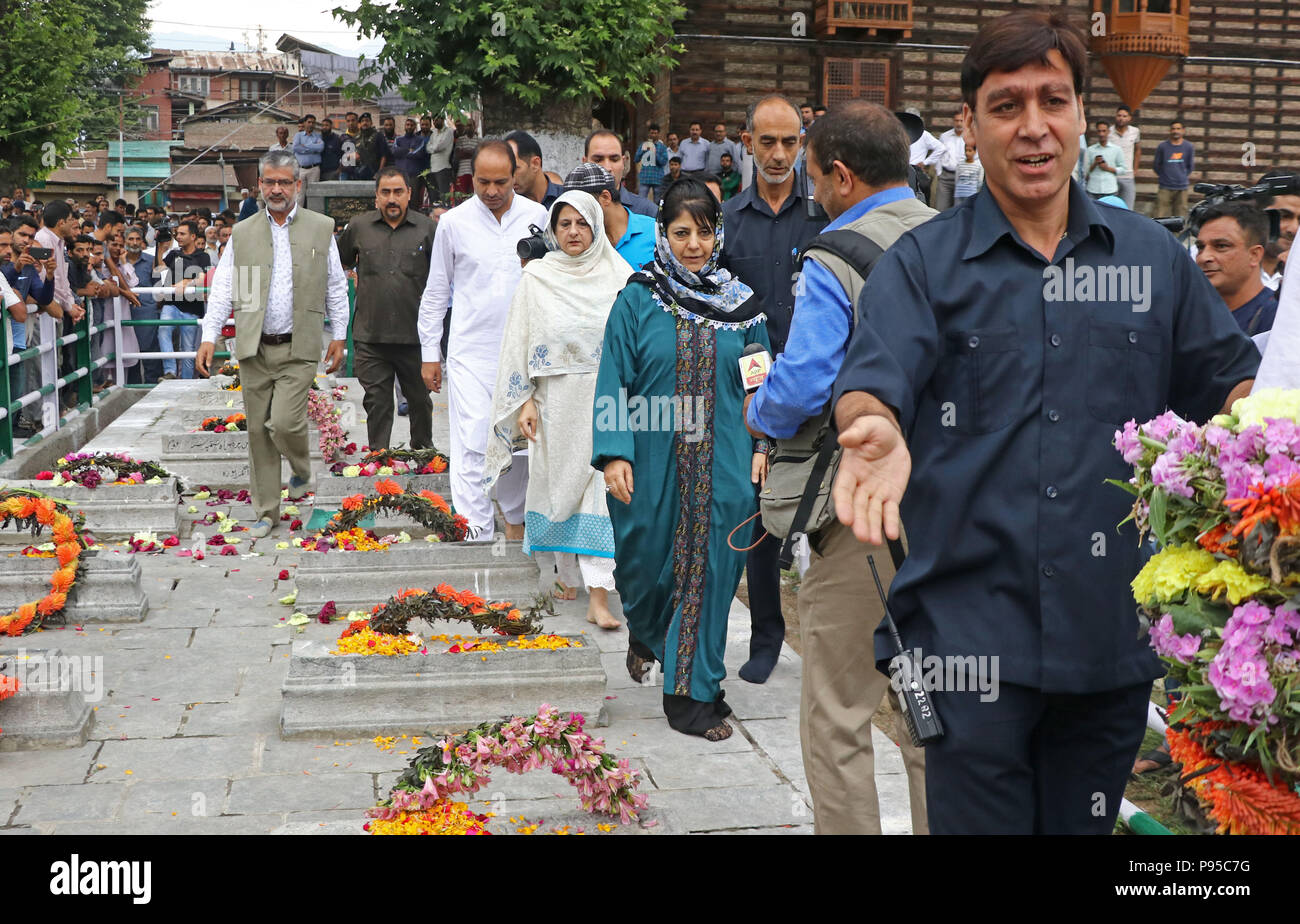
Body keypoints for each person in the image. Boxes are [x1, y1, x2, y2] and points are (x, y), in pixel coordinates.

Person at [829, 8, 1259, 835]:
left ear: (1081, 118)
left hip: (1109, 641)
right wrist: (873, 423)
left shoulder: (1154, 261)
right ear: (970, 123)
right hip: (967, 642)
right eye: (1006, 105)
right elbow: (871, 383)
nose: (1033, 128)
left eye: (1053, 101)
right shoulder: (922, 265)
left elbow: (1232, 384)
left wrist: (1268, 420)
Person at [743, 100, 933, 834]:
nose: (814, 190)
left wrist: (759, 416)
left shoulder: (839, 252)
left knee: (839, 712)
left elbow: (807, 380)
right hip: (954, 510)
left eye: (817, 175)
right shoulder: (959, 241)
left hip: (860, 511)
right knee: (934, 708)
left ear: (844, 177)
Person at [592, 176, 770, 741]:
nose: (694, 244)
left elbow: (761, 386)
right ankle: (647, 631)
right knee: (643, 567)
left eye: (705, 231)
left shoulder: (742, 307)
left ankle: (694, 694)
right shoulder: (637, 298)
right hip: (651, 457)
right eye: (681, 232)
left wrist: (764, 446)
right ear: (663, 234)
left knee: (712, 574)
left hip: (725, 461)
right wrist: (615, 452)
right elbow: (613, 377)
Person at [485, 190, 629, 625]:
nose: (573, 232)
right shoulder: (537, 279)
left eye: (582, 223)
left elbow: (636, 344)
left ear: (596, 227)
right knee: (559, 489)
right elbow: (518, 343)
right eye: (564, 224)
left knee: (600, 489)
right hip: (555, 404)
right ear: (552, 229)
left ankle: (599, 599)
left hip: (606, 400)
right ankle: (567, 575)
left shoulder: (621, 275)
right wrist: (525, 400)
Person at [722, 94, 827, 684]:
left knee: (827, 519)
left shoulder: (826, 219)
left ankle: (828, 642)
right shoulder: (730, 222)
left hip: (821, 387)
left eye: (790, 142)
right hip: (754, 394)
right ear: (747, 141)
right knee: (759, 514)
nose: (780, 154)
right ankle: (767, 637)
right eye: (768, 142)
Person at [196, 150, 349, 539]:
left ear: (298, 185)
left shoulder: (320, 227)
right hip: (254, 348)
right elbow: (226, 287)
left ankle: (300, 468)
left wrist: (341, 335)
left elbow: (335, 284)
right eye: (270, 182)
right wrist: (209, 336)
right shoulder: (244, 232)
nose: (277, 189)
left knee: (284, 422)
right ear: (259, 186)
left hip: (299, 346)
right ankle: (266, 511)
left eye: (285, 182)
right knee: (258, 435)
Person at [417, 140, 548, 541]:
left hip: (524, 352)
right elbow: (437, 290)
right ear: (470, 178)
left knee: (519, 443)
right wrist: (429, 353)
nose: (491, 191)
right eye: (482, 182)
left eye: (501, 182)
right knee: (473, 440)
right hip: (469, 353)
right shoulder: (453, 223)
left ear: (517, 177)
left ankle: (515, 518)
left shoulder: (538, 217)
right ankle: (474, 528)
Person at [338, 167, 438, 450]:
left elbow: (444, 277)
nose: (392, 198)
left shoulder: (429, 229)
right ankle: (378, 459)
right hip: (371, 336)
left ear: (409, 194)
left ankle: (424, 457)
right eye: (385, 192)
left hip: (416, 337)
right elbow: (341, 263)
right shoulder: (359, 228)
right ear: (376, 197)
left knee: (419, 401)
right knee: (377, 402)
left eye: (398, 192)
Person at [1194, 201, 1278, 336]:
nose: (1204, 257)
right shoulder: (1189, 315)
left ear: (1254, 255)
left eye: (1221, 246)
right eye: (1200, 247)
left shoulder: (1276, 320)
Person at [563, 163, 656, 269]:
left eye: (581, 207)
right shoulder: (581, 242)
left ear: (605, 197)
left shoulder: (655, 232)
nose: (576, 215)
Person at [157, 219, 210, 380]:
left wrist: (186, 282)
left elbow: (203, 277)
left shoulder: (203, 256)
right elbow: (160, 270)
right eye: (177, 234)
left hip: (192, 308)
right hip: (171, 303)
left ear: (193, 236)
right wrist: (160, 248)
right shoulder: (173, 254)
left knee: (188, 349)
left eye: (182, 234)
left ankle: (187, 383)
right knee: (163, 330)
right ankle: (170, 372)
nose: (178, 237)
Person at [583, 130, 657, 217]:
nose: (607, 168)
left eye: (614, 159)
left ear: (623, 162)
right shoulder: (570, 207)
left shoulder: (647, 212)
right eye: (598, 160)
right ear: (585, 163)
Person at [123, 226, 161, 382]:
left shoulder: (151, 261)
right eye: (131, 239)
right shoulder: (118, 261)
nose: (134, 242)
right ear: (125, 241)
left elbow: (159, 287)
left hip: (147, 313)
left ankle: (153, 386)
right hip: (125, 313)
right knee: (129, 352)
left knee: (149, 351)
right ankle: (133, 387)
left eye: (138, 239)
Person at [505, 130, 564, 208]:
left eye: (515, 169)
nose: (509, 177)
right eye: (505, 170)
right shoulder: (506, 207)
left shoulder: (567, 198)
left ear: (535, 164)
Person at [1153, 120, 1195, 218]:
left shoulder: (1188, 147)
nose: (1175, 131)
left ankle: (1177, 234)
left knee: (1180, 217)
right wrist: (1165, 176)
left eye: (1178, 129)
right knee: (1159, 215)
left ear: (1183, 131)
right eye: (1173, 129)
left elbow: (1190, 166)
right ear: (1170, 131)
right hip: (1165, 187)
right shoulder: (1162, 146)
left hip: (1182, 187)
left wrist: (1181, 176)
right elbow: (1156, 165)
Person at [1083, 119, 1126, 199]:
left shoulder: (1117, 149)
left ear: (1108, 132)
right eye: (1099, 131)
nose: (1101, 134)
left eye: (1104, 131)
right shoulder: (1090, 150)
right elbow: (1086, 171)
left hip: (1110, 189)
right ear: (1097, 132)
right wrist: (1095, 163)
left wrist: (1108, 168)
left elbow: (1123, 169)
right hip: (1093, 189)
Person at [393, 118, 429, 210]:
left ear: (415, 127)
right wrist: (408, 150)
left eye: (411, 125)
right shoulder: (398, 139)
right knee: (400, 198)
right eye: (407, 125)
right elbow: (395, 152)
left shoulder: (420, 140)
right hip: (400, 175)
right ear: (405, 126)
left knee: (413, 200)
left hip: (414, 175)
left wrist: (403, 152)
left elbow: (418, 153)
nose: (409, 127)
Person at [292, 114, 324, 205]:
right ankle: (298, 215)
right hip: (301, 169)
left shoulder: (318, 136)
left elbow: (320, 148)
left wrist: (305, 146)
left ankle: (312, 216)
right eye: (309, 122)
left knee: (313, 194)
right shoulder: (298, 136)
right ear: (305, 123)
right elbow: (296, 148)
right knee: (299, 194)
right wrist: (313, 148)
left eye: (313, 123)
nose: (311, 124)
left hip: (314, 169)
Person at [1113, 105, 1140, 210]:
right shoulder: (1109, 132)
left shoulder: (1135, 131)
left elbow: (1138, 149)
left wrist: (1135, 168)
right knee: (1112, 208)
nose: (1121, 118)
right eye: (1119, 115)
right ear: (1115, 116)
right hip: (1112, 176)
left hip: (1128, 175)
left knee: (1128, 208)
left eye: (1124, 116)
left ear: (1129, 118)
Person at [637, 124, 669, 204]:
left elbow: (663, 162)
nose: (653, 135)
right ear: (649, 133)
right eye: (651, 133)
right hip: (645, 176)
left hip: (657, 178)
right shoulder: (643, 145)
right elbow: (636, 159)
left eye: (655, 133)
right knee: (641, 201)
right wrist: (643, 151)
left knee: (657, 203)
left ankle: (656, 216)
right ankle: (641, 216)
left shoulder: (662, 147)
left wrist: (654, 153)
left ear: (658, 134)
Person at [427, 113, 456, 199]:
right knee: (434, 197)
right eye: (434, 120)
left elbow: (439, 147)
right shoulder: (434, 133)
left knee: (444, 197)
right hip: (433, 169)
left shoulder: (449, 132)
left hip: (443, 168)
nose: (435, 122)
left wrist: (433, 148)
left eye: (437, 119)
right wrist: (434, 148)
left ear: (442, 120)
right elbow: (428, 147)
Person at [452, 121, 479, 194]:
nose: (468, 127)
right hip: (462, 172)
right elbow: (458, 155)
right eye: (467, 126)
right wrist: (473, 152)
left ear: (475, 126)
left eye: (470, 125)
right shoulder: (460, 139)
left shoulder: (479, 140)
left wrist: (465, 151)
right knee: (461, 196)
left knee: (473, 196)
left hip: (474, 173)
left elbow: (479, 155)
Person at [319, 117, 344, 182]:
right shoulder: (318, 138)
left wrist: (339, 170)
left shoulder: (337, 139)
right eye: (323, 125)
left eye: (327, 125)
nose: (324, 127)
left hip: (332, 172)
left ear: (331, 126)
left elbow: (343, 155)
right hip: (319, 172)